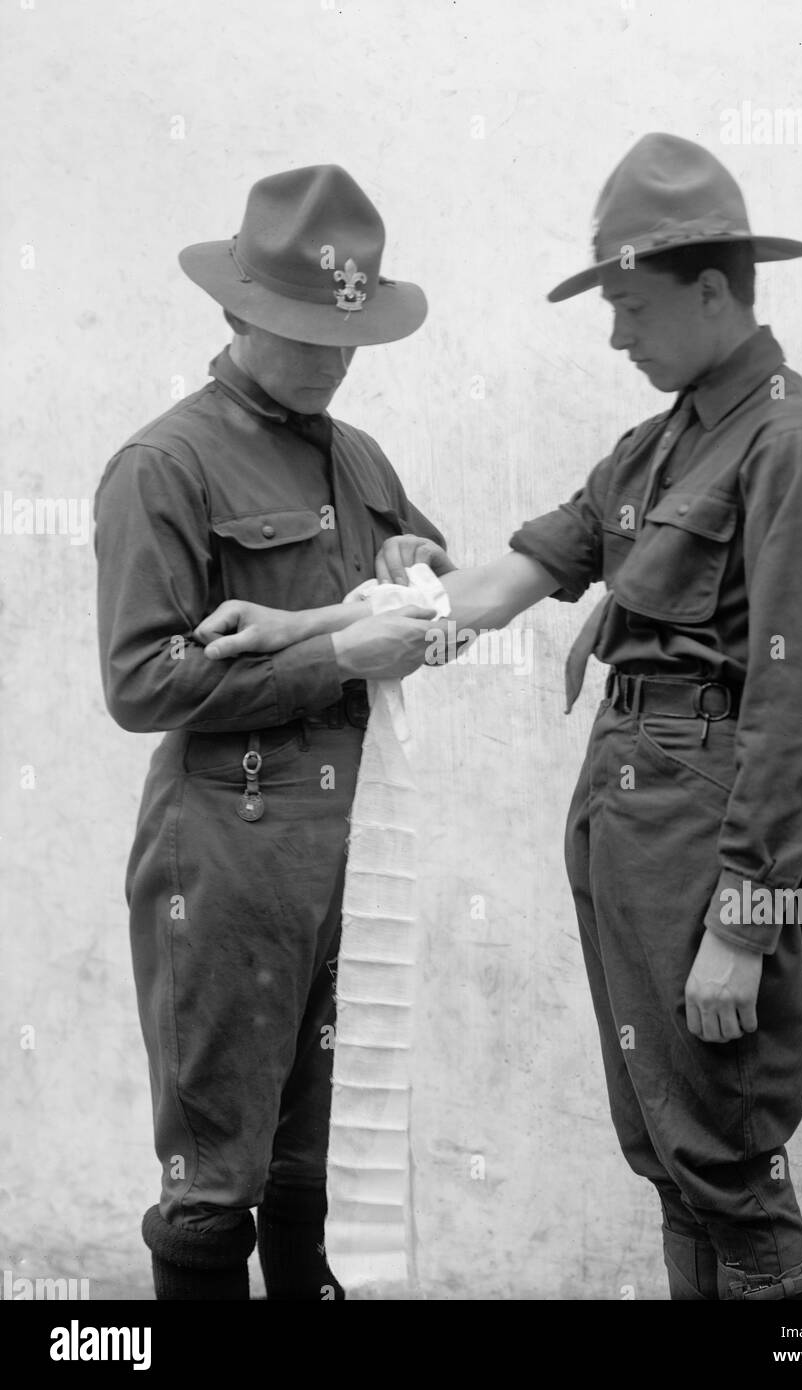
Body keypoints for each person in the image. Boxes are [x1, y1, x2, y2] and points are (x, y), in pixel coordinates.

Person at [203, 134, 802, 1300]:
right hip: (629, 816)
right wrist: (293, 630)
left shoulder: (794, 443)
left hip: (712, 825)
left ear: (712, 291)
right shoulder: (660, 442)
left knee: (725, 1147)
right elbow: (489, 591)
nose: (616, 337)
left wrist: (747, 917)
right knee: (667, 1146)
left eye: (630, 307)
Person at [95, 164, 449, 1300]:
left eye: (352, 335)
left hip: (354, 852)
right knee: (213, 1180)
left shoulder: (356, 456)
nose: (338, 359)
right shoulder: (164, 465)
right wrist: (333, 653)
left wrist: (414, 570)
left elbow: (426, 566)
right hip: (230, 856)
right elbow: (144, 679)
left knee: (316, 1169)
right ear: (239, 312)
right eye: (311, 332)